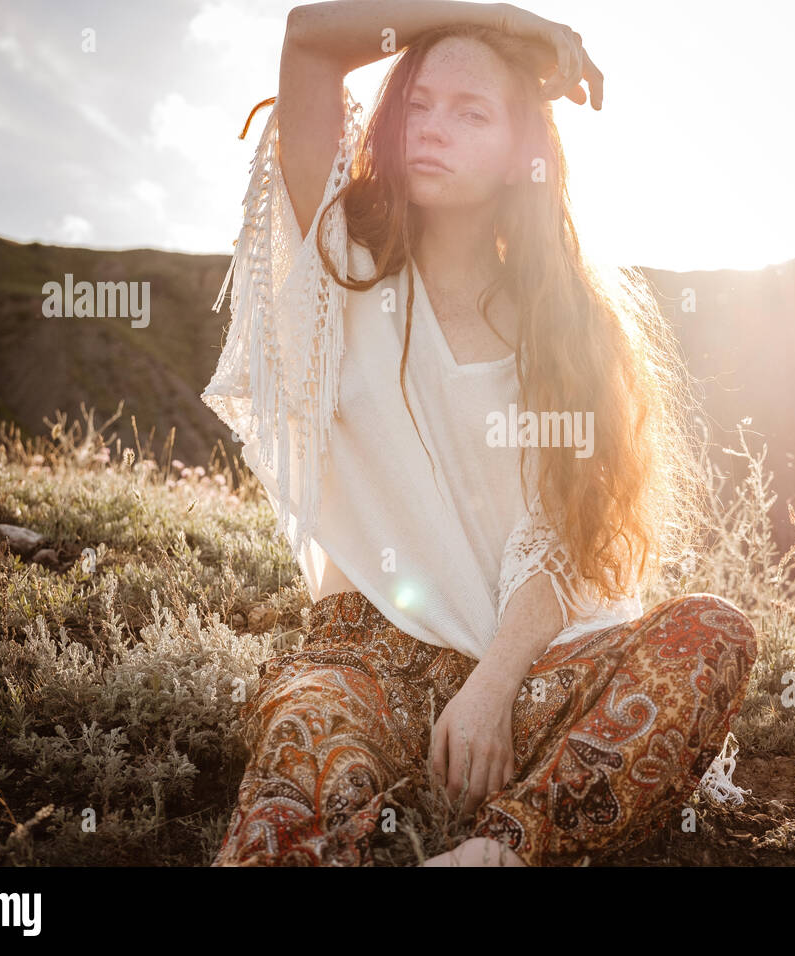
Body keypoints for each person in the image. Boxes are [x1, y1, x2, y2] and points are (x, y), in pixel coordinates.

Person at [201, 0, 760, 866]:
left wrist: (493, 688)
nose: (433, 129)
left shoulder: (570, 328)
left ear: (520, 152)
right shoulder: (340, 258)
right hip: (368, 653)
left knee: (711, 631)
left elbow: (569, 539)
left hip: (530, 667)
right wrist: (502, 20)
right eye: (418, 105)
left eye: (471, 114)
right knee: (304, 734)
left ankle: (501, 850)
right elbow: (308, 39)